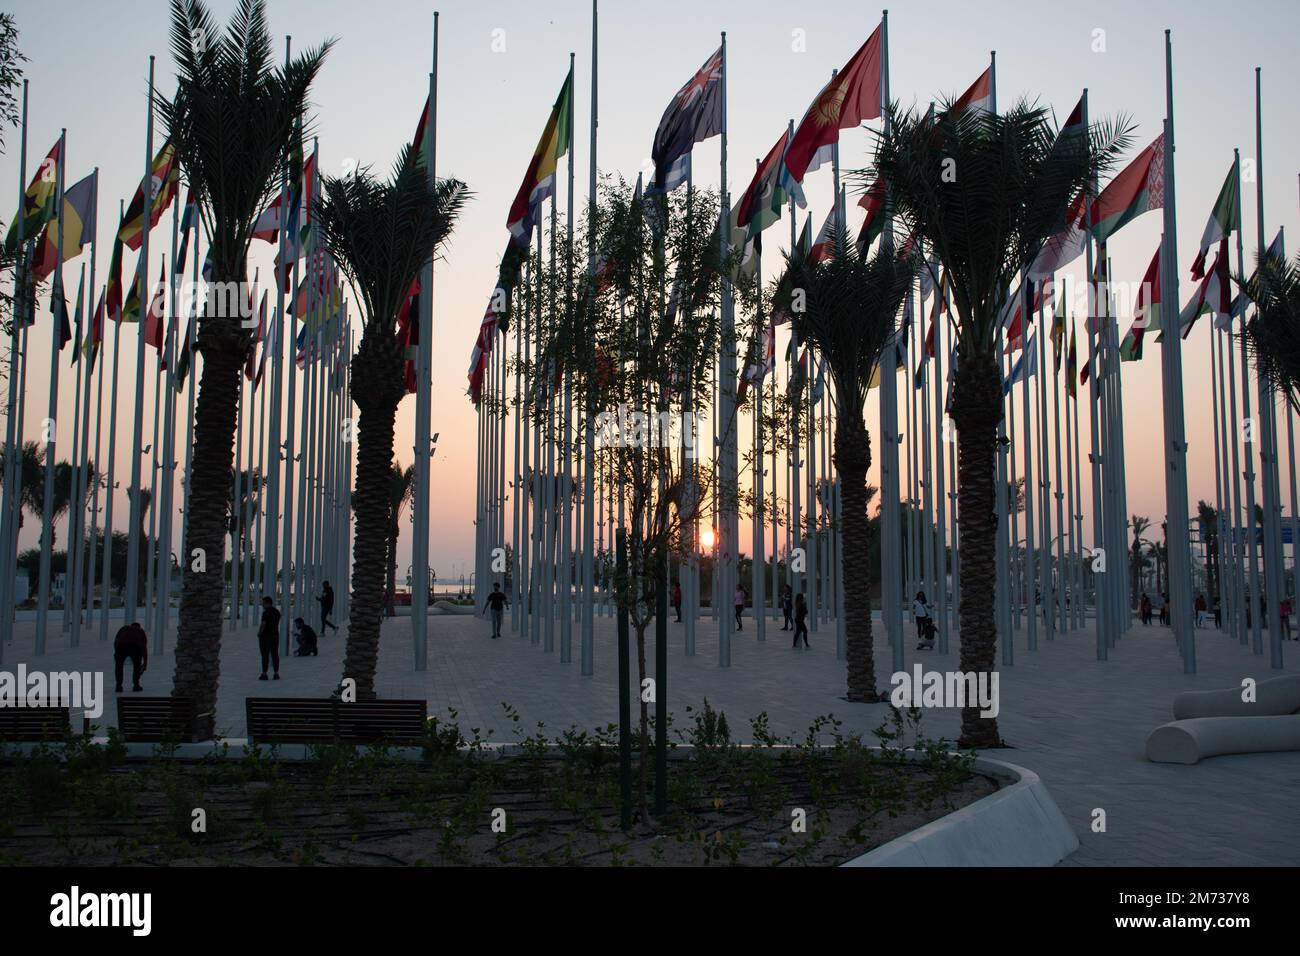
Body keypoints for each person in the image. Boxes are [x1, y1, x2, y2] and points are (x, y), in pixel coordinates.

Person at [113, 622, 148, 693]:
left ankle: (118, 686)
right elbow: (144, 648)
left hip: (121, 647)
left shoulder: (124, 628)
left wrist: (116, 653)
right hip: (135, 647)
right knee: (137, 666)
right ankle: (136, 685)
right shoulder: (140, 631)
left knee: (119, 667)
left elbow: (116, 641)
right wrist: (145, 663)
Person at [258, 596, 281, 680]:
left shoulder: (266, 612)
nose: (262, 604)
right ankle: (276, 673)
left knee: (265, 655)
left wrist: (260, 633)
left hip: (266, 636)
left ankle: (264, 673)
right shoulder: (277, 612)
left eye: (263, 603)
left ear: (267, 603)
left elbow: (263, 623)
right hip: (275, 635)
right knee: (275, 654)